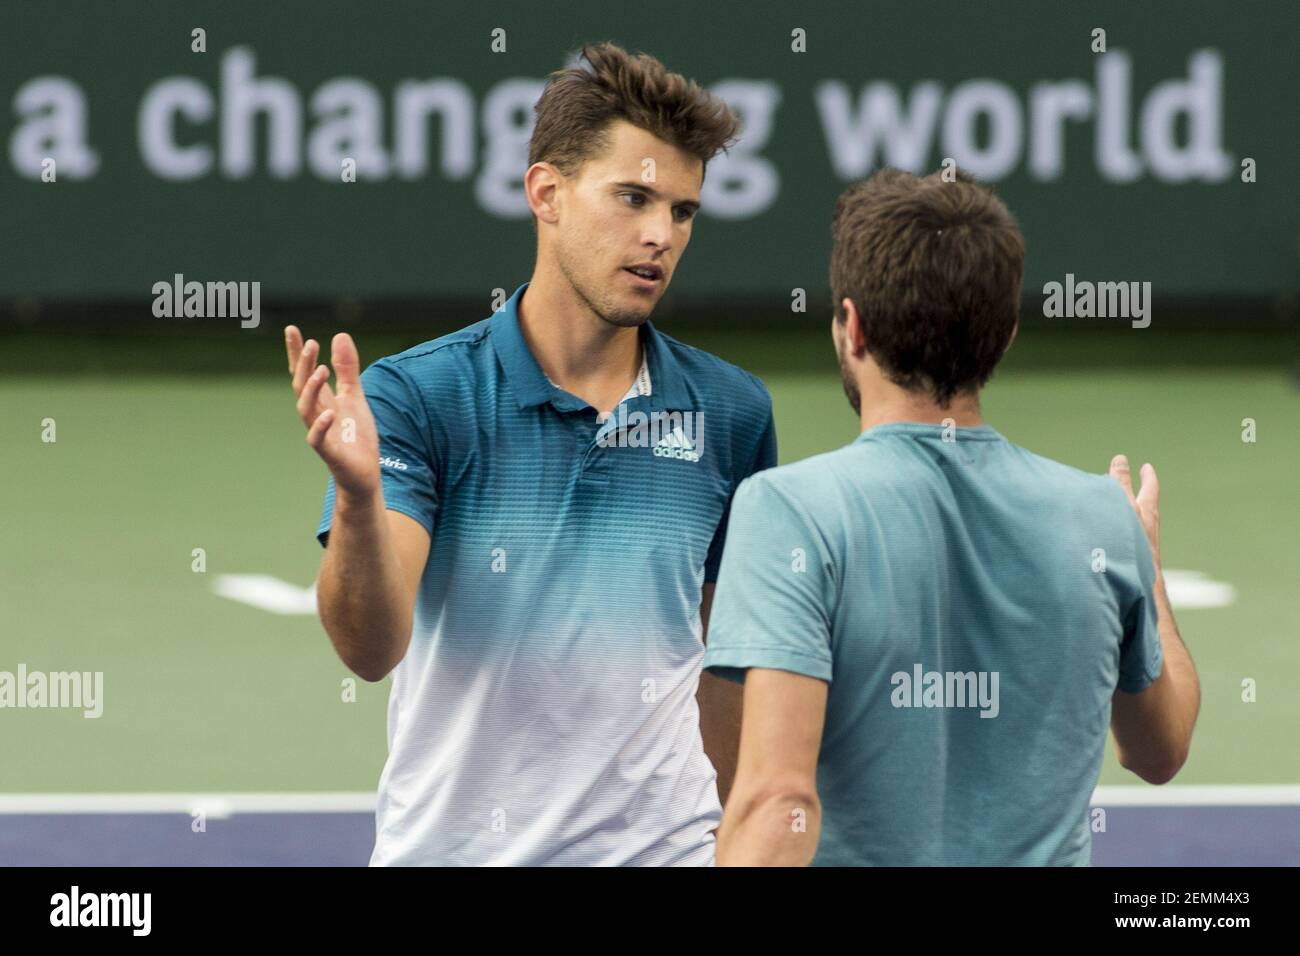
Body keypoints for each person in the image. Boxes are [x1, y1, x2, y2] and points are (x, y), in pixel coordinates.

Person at [283, 42, 776, 865]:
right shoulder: (419, 397)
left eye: (683, 211)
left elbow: (728, 667)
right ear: (546, 192)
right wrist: (360, 503)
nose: (659, 235)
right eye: (633, 197)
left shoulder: (731, 413)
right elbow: (369, 650)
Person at [702, 169, 1200, 866]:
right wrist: (1146, 570)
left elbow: (777, 803)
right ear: (1005, 335)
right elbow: (1161, 750)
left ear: (853, 328)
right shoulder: (1099, 518)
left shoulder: (789, 512)